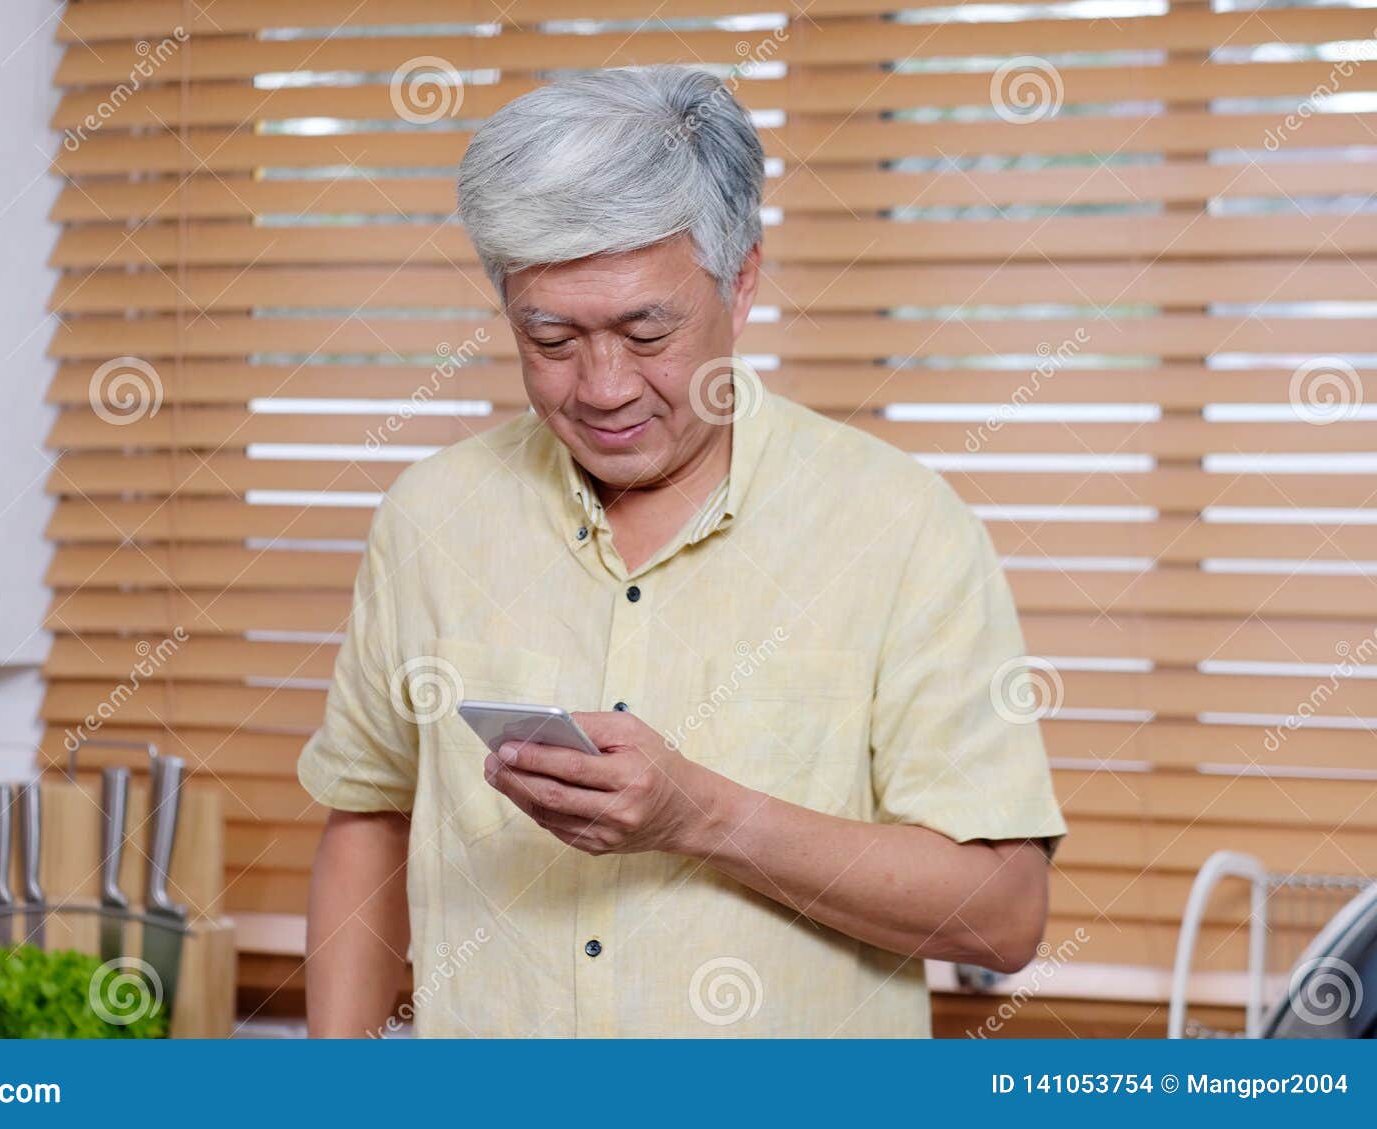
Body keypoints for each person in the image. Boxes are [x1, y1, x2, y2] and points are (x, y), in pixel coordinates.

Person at [299, 64, 1064, 1037]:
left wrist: (699, 816)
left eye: (645, 329)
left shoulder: (899, 526)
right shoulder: (431, 517)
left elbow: (1003, 915)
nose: (604, 386)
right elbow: (369, 820)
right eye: (551, 337)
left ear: (739, 281)